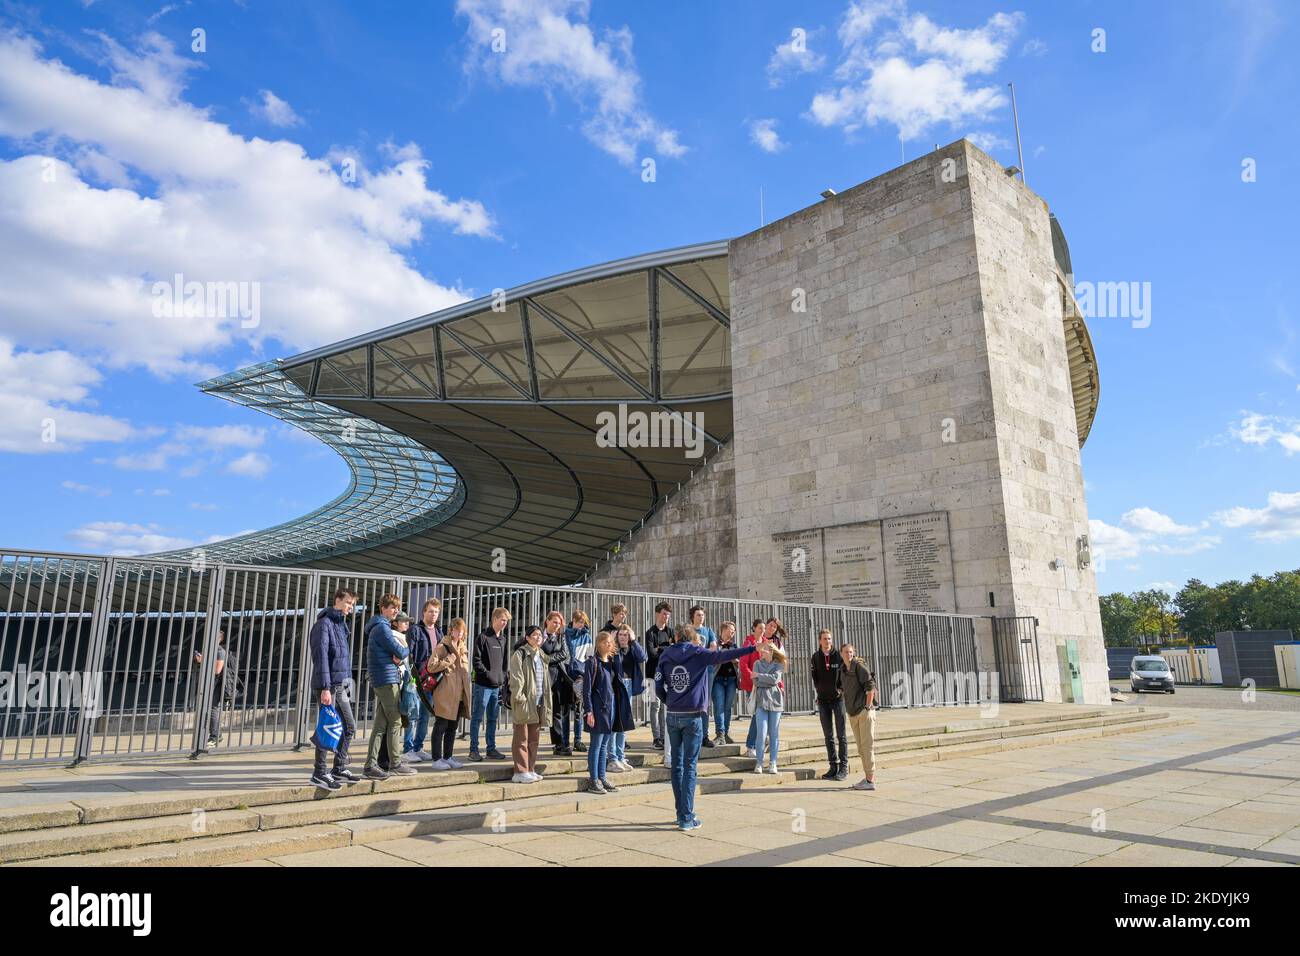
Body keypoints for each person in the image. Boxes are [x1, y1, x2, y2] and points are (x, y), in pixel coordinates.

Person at [654, 624, 761, 830]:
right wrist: (753, 648)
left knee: (676, 765)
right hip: (692, 715)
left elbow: (659, 686)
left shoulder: (666, 655)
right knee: (690, 766)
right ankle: (686, 817)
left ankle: (681, 813)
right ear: (693, 637)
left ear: (676, 637)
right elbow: (726, 654)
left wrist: (669, 701)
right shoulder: (698, 653)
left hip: (674, 714)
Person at [308, 589, 358, 790]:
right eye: (348, 603)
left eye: (353, 604)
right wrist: (325, 688)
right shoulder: (324, 625)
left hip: (341, 684)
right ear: (337, 600)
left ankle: (339, 767)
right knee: (327, 727)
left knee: (348, 727)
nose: (350, 607)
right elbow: (321, 659)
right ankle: (319, 772)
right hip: (329, 686)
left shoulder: (340, 625)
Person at [363, 594, 414, 780]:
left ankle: (370, 765)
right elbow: (401, 650)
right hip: (386, 679)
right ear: (383, 608)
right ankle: (395, 763)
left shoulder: (378, 627)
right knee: (396, 721)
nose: (396, 611)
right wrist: (407, 648)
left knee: (380, 724)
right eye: (393, 608)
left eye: (397, 608)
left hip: (383, 678)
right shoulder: (382, 628)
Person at [582, 630, 632, 794]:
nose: (609, 644)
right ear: (598, 644)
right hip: (597, 709)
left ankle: (602, 777)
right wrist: (589, 711)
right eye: (605, 642)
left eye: (610, 642)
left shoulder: (612, 662)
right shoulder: (592, 663)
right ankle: (593, 779)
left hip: (610, 708)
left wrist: (616, 655)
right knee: (596, 745)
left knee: (604, 746)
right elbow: (587, 690)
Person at [426, 617, 472, 770]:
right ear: (451, 630)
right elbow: (431, 667)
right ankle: (436, 758)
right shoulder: (442, 646)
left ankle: (448, 756)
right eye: (456, 629)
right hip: (445, 694)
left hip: (459, 695)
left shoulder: (463, 648)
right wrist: (449, 659)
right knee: (441, 726)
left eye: (462, 630)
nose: (459, 633)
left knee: (453, 727)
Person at [507, 625, 551, 784]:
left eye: (540, 635)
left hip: (538, 702)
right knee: (521, 738)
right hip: (525, 702)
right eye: (534, 635)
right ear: (527, 638)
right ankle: (520, 771)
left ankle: (530, 769)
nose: (538, 638)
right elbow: (516, 679)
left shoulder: (541, 655)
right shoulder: (520, 654)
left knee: (534, 739)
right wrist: (520, 698)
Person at [470, 606, 510, 762]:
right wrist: (488, 675)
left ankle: (491, 749)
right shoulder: (483, 637)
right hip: (483, 686)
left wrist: (502, 678)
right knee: (477, 718)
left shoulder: (503, 639)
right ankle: (473, 750)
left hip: (497, 687)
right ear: (494, 619)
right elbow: (476, 661)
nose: (504, 624)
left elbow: (505, 663)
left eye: (506, 621)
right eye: (502, 620)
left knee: (493, 719)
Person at [405, 598, 441, 761]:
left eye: (436, 612)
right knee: (413, 714)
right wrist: (413, 676)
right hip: (415, 680)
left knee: (425, 716)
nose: (433, 615)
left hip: (432, 682)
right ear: (424, 613)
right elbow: (408, 654)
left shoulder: (439, 632)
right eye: (431, 611)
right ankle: (408, 749)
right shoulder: (415, 630)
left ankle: (418, 747)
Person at [811, 628, 849, 781]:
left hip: (837, 700)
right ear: (820, 641)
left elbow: (845, 676)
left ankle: (844, 767)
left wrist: (840, 690)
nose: (828, 641)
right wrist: (819, 692)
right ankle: (833, 766)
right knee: (828, 736)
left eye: (830, 639)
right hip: (823, 701)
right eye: (825, 639)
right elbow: (815, 678)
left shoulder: (838, 657)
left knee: (841, 735)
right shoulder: (815, 657)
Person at [840, 643, 879, 791]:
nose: (849, 654)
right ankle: (868, 779)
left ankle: (870, 780)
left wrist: (867, 707)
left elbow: (871, 687)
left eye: (851, 652)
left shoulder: (859, 666)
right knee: (861, 749)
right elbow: (843, 687)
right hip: (853, 713)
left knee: (867, 747)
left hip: (864, 713)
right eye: (846, 652)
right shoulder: (843, 670)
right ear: (841, 654)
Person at [609, 623, 646, 772]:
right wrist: (612, 641)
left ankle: (620, 755)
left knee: (623, 722)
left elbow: (642, 657)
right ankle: (612, 758)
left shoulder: (632, 649)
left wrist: (634, 641)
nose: (623, 638)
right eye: (621, 635)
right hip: (616, 686)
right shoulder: (614, 649)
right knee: (614, 722)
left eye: (626, 635)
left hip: (629, 685)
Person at [539, 611, 574, 755]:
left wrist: (547, 658)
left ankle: (560, 743)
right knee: (542, 710)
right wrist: (548, 657)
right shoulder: (540, 636)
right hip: (543, 677)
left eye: (559, 624)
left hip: (558, 678)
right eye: (554, 622)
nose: (556, 626)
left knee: (558, 712)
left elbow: (565, 654)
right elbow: (536, 653)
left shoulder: (561, 637)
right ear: (547, 621)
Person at [751, 641, 786, 773]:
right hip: (761, 701)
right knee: (761, 733)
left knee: (774, 733)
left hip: (776, 702)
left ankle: (773, 762)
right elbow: (755, 682)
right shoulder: (757, 664)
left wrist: (760, 676)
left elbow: (775, 680)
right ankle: (759, 762)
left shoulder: (779, 664)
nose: (761, 650)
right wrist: (764, 679)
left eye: (764, 649)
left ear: (770, 651)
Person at [644, 602, 673, 750]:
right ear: (657, 614)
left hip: (667, 675)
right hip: (652, 674)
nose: (666, 616)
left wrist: (660, 648)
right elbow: (652, 654)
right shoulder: (650, 633)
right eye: (664, 613)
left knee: (664, 707)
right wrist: (665, 649)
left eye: (668, 614)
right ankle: (656, 738)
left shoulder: (671, 632)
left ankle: (663, 736)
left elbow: (672, 651)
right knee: (655, 706)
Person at [392, 612, 420, 762]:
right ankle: (402, 750)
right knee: (399, 717)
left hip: (406, 680)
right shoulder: (393, 637)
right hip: (397, 681)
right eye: (403, 621)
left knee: (409, 713)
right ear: (395, 622)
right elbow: (398, 658)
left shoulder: (403, 637)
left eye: (408, 621)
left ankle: (407, 747)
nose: (407, 624)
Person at [689, 606, 719, 747]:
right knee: (692, 702)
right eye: (698, 615)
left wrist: (700, 651)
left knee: (705, 703)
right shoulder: (688, 630)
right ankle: (692, 734)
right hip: (692, 671)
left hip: (707, 671)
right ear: (692, 616)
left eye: (702, 615)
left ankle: (704, 736)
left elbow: (713, 648)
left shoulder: (708, 631)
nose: (701, 617)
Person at [564, 610, 593, 753]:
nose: (581, 624)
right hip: (566, 674)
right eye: (579, 621)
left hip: (581, 676)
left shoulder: (587, 636)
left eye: (583, 622)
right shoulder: (565, 634)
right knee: (565, 710)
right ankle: (564, 742)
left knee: (579, 710)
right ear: (573, 621)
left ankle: (578, 740)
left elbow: (590, 656)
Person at [710, 622, 739, 746]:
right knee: (719, 707)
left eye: (734, 630)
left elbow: (739, 660)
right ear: (723, 630)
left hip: (732, 679)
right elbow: (712, 659)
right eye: (731, 629)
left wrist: (735, 660)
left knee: (728, 708)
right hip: (718, 680)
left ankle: (725, 734)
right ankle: (720, 734)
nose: (733, 632)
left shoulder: (734, 645)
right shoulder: (715, 644)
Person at [739, 619, 765, 757]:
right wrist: (753, 678)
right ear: (753, 628)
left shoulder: (766, 643)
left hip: (766, 685)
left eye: (763, 628)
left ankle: (760, 742)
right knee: (756, 715)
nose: (762, 630)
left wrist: (780, 684)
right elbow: (743, 665)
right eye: (760, 628)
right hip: (753, 685)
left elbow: (773, 662)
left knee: (764, 714)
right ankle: (750, 746)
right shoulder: (748, 643)